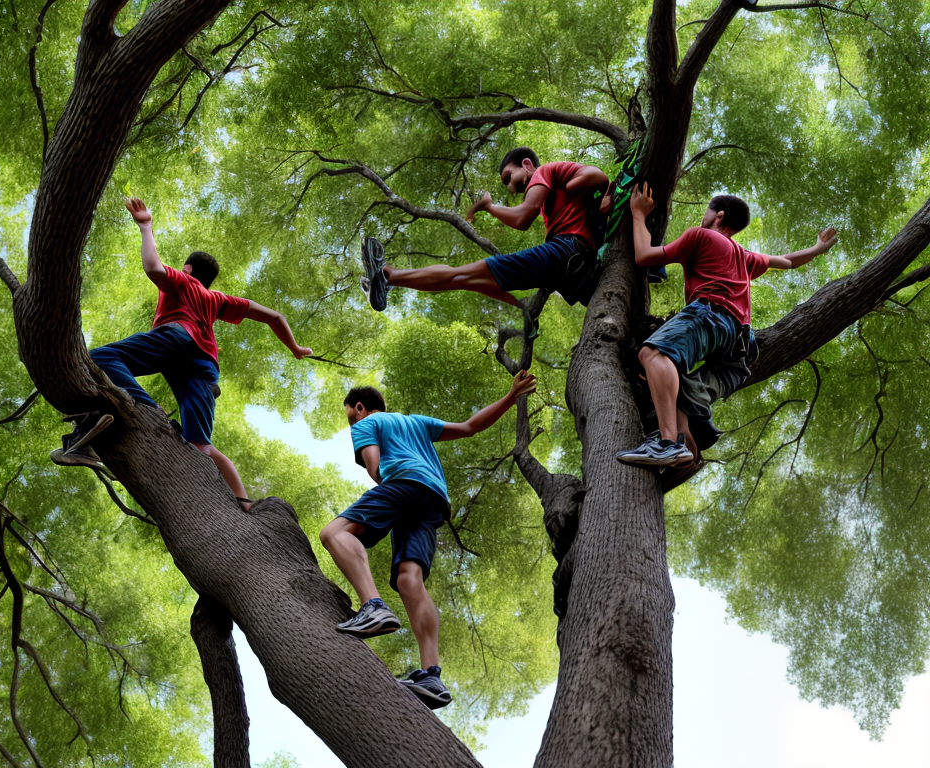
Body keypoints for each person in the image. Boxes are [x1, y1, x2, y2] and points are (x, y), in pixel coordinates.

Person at [51, 197, 312, 511]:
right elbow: (275, 317)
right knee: (200, 444)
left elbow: (153, 267)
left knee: (101, 358)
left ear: (188, 269)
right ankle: (245, 502)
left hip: (177, 339)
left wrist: (145, 226)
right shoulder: (217, 299)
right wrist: (296, 349)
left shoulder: (183, 282)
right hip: (203, 367)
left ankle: (144, 409)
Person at [319, 370, 538, 709]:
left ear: (359, 407)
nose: (351, 422)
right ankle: (431, 674)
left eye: (350, 416)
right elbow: (470, 427)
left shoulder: (365, 424)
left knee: (334, 533)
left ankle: (373, 607)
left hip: (403, 485)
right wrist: (511, 396)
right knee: (410, 579)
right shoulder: (415, 422)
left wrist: (381, 477)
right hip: (434, 501)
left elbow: (375, 468)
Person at [617, 183, 838, 467]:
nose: (702, 217)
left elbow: (644, 256)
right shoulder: (744, 256)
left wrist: (637, 214)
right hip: (738, 343)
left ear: (718, 216)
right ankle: (684, 442)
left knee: (652, 355)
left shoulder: (701, 236)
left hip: (711, 313)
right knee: (671, 378)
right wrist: (818, 249)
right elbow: (788, 261)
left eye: (706, 211)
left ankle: (667, 443)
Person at [360, 147, 612, 338]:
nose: (511, 188)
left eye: (508, 177)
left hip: (566, 252)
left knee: (462, 275)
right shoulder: (557, 202)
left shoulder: (544, 171)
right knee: (463, 280)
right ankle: (388, 280)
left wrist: (489, 206)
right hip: (573, 271)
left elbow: (523, 217)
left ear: (526, 164)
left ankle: (388, 275)